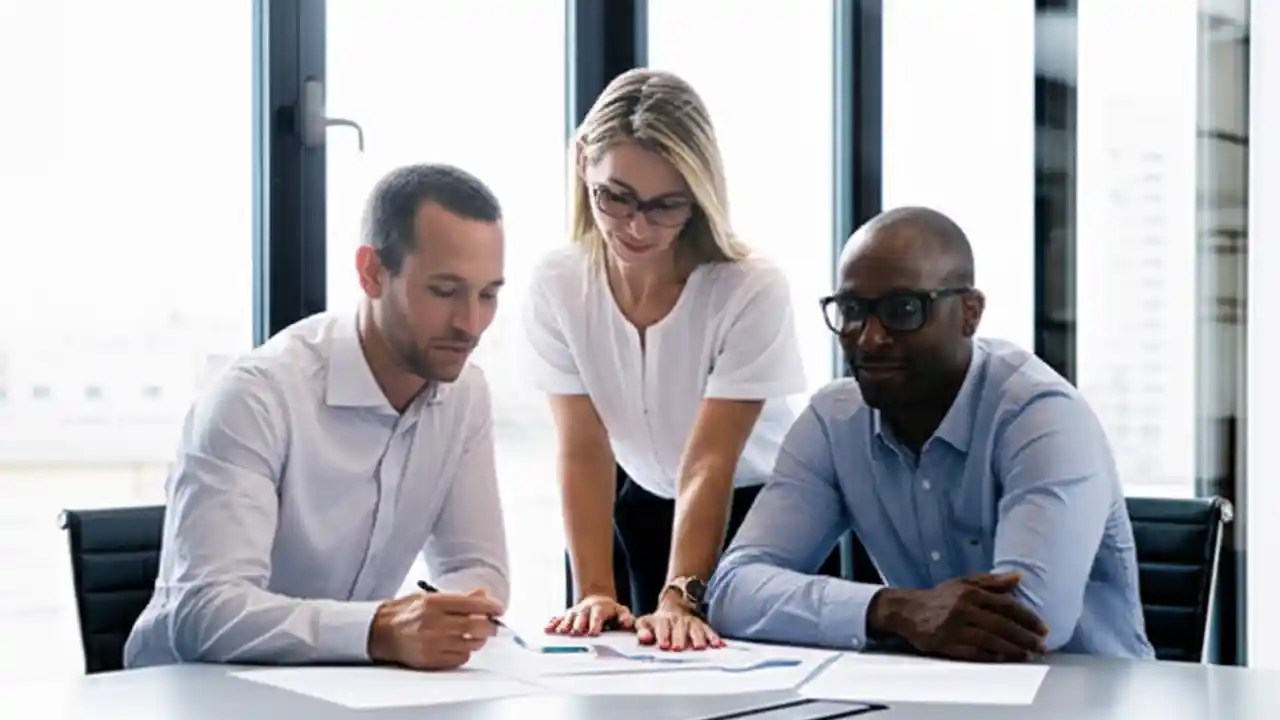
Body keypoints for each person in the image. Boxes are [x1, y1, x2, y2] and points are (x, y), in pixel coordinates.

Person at [706, 206, 1155, 661]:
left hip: (1086, 698)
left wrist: (878, 614)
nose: (869, 338)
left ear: (970, 313)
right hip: (932, 692)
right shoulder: (833, 421)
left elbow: (1031, 620)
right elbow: (733, 589)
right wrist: (892, 608)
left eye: (904, 310)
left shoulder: (1042, 416)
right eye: (853, 310)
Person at [124, 164, 512, 671]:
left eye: (488, 295)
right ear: (371, 272)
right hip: (192, 693)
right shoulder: (255, 398)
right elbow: (204, 611)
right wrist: (380, 629)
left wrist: (441, 619)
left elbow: (475, 567)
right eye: (444, 291)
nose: (471, 324)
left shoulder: (464, 394)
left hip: (347, 689)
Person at [525, 68, 838, 653]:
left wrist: (681, 595)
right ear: (582, 162)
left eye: (666, 205)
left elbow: (709, 462)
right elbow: (584, 448)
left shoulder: (748, 287)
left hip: (762, 507)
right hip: (645, 504)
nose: (636, 226)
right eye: (615, 197)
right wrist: (595, 591)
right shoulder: (557, 284)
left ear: (698, 196)